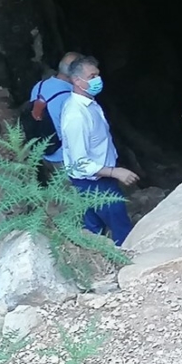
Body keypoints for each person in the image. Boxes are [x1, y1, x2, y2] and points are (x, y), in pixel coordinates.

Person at [60, 55, 139, 246]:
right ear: (77, 81)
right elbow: (80, 163)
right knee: (122, 230)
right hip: (94, 183)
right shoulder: (76, 115)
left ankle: (96, 259)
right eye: (92, 76)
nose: (98, 80)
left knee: (93, 230)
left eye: (98, 75)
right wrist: (115, 172)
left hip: (97, 179)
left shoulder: (90, 104)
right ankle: (128, 260)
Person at [26, 51, 79, 183]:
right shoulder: (71, 97)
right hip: (62, 157)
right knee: (70, 193)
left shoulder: (39, 86)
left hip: (40, 150)